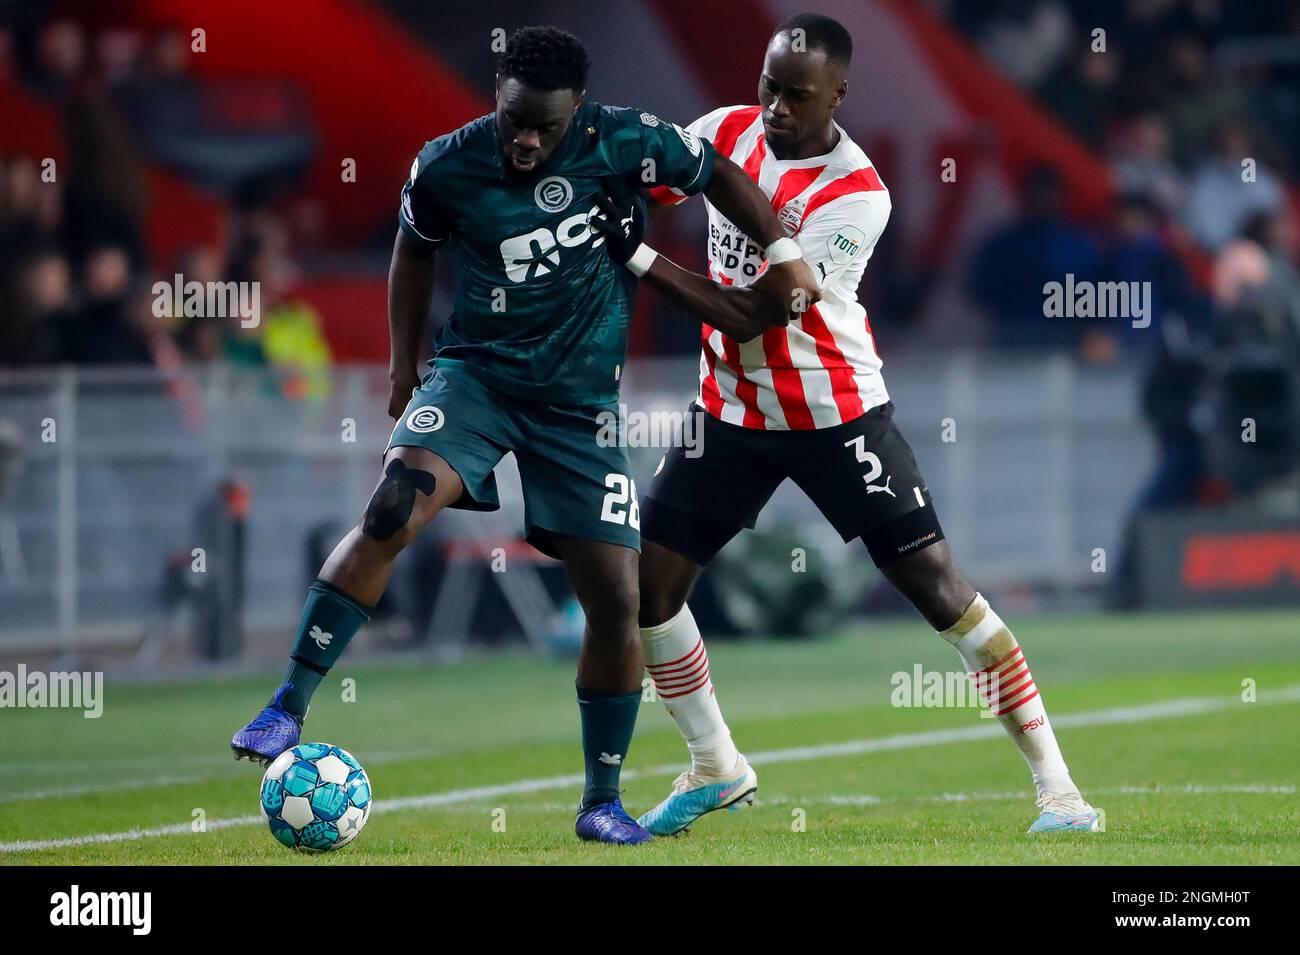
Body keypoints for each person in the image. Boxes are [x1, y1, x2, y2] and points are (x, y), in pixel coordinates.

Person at [228, 25, 819, 846]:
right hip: (478, 377)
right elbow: (414, 249)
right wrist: (405, 367)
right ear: (496, 99)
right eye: (514, 121)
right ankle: (285, 704)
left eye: (545, 125)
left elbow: (715, 169)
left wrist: (781, 248)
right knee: (392, 506)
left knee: (619, 598)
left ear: (578, 108)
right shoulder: (448, 164)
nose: (527, 140)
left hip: (580, 406)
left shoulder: (627, 141)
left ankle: (601, 800)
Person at [593, 13, 1098, 837]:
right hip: (728, 413)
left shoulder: (857, 194)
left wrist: (640, 257)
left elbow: (757, 314)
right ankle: (716, 764)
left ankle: (1059, 786)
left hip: (835, 411)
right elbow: (639, 180)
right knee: (645, 588)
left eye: (797, 95)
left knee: (940, 591)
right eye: (769, 86)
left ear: (839, 94)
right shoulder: (721, 132)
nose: (777, 108)